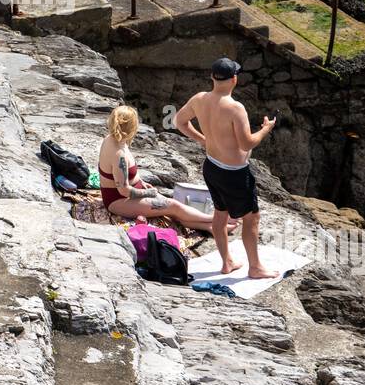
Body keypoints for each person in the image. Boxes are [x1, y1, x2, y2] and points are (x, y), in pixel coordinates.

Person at [174, 58, 278, 279]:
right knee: (251, 218)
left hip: (211, 167)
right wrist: (266, 129)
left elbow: (179, 122)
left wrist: (203, 140)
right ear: (234, 79)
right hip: (235, 174)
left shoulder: (199, 99)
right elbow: (246, 144)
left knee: (220, 214)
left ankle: (227, 261)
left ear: (212, 77)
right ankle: (256, 267)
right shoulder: (235, 107)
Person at [98, 104, 227, 230]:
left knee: (172, 210)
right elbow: (123, 190)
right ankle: (217, 220)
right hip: (118, 201)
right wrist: (148, 193)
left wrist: (141, 182)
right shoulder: (119, 155)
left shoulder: (113, 139)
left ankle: (210, 227)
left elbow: (125, 177)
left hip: (132, 193)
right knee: (173, 206)